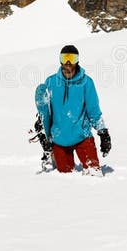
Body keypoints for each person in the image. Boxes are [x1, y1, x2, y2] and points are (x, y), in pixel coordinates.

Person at [36, 44, 111, 174]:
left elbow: (94, 111)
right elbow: (45, 111)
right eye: (65, 58)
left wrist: (103, 132)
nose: (68, 63)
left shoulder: (87, 82)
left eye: (72, 58)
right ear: (60, 60)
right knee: (66, 180)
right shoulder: (51, 82)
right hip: (59, 139)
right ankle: (54, 159)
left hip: (83, 137)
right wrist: (42, 129)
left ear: (77, 61)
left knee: (95, 174)